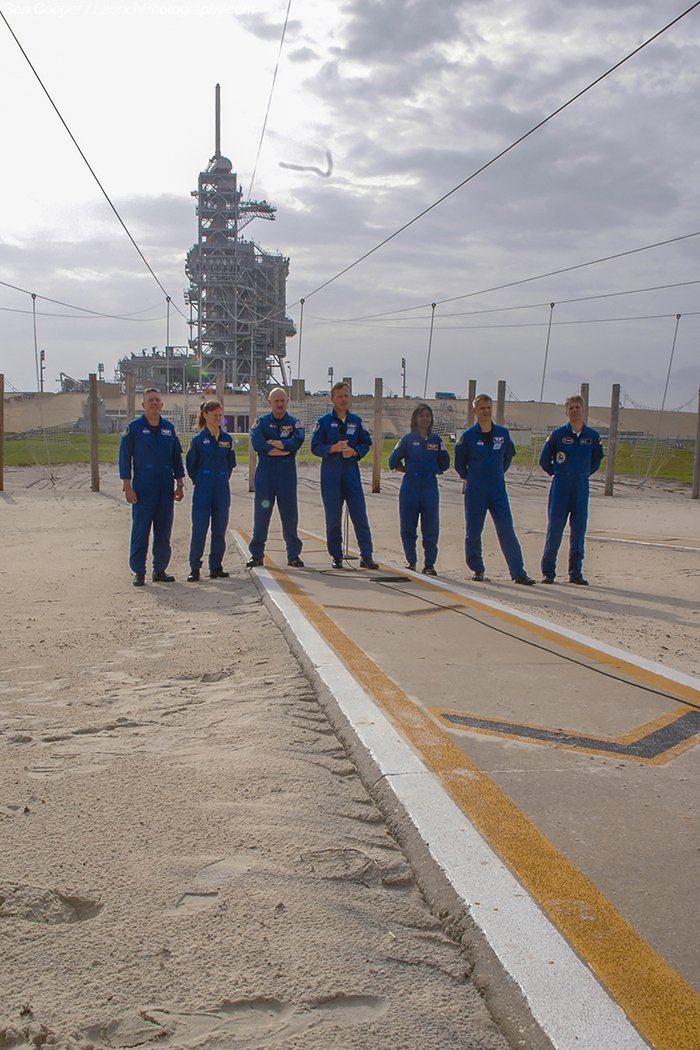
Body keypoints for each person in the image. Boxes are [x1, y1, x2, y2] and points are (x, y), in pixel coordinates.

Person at [454, 393, 535, 585]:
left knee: (507, 529)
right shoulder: (468, 437)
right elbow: (459, 464)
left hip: (497, 489)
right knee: (473, 531)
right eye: (482, 408)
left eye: (489, 407)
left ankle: (518, 572)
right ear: (475, 411)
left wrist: (498, 472)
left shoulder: (502, 434)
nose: (486, 411)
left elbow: (507, 457)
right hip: (476, 490)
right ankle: (477, 568)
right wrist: (471, 477)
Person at [119, 387, 185, 587]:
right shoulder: (134, 429)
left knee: (164, 531)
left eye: (157, 400)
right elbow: (124, 458)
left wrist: (180, 484)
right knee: (141, 530)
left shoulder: (169, 429)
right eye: (150, 400)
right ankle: (139, 571)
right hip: (143, 489)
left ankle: (160, 569)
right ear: (143, 404)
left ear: (162, 404)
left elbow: (176, 458)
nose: (154, 403)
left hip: (165, 488)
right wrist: (127, 486)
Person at [311, 381, 378, 569]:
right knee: (333, 517)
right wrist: (332, 448)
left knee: (360, 516)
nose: (343, 399)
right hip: (331, 476)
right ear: (332, 399)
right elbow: (315, 447)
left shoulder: (356, 421)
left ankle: (367, 555)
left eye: (346, 396)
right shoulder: (323, 422)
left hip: (351, 474)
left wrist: (355, 452)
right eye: (340, 396)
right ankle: (336, 555)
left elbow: (366, 443)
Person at [539, 394, 604, 585]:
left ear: (583, 410)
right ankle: (548, 572)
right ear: (566, 411)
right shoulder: (558, 435)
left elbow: (596, 460)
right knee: (555, 530)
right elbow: (544, 460)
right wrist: (559, 472)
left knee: (579, 531)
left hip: (581, 489)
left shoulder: (592, 436)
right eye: (571, 408)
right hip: (561, 488)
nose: (575, 410)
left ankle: (576, 572)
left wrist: (583, 474)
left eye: (578, 407)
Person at [247, 387, 305, 569]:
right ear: (269, 402)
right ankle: (257, 555)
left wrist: (278, 443)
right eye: (276, 401)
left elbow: (297, 442)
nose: (279, 404)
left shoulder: (295, 423)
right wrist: (282, 450)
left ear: (287, 401)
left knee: (290, 516)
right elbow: (258, 444)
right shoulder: (261, 423)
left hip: (286, 476)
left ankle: (293, 555)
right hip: (266, 475)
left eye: (282, 400)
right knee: (261, 516)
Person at [388, 403, 450, 575]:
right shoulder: (407, 440)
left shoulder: (436, 441)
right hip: (410, 487)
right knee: (408, 526)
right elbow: (393, 461)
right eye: (421, 415)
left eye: (428, 415)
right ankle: (411, 561)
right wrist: (405, 470)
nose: (425, 418)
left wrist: (434, 470)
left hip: (430, 487)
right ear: (415, 418)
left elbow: (445, 462)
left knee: (431, 528)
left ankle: (429, 564)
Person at [185, 399, 236, 581]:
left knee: (219, 530)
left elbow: (231, 464)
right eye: (214, 415)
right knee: (199, 530)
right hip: (203, 490)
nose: (217, 419)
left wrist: (220, 477)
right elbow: (191, 466)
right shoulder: (198, 441)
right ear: (205, 415)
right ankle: (195, 568)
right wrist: (202, 480)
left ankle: (216, 566)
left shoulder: (227, 440)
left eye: (220, 415)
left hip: (221, 489)